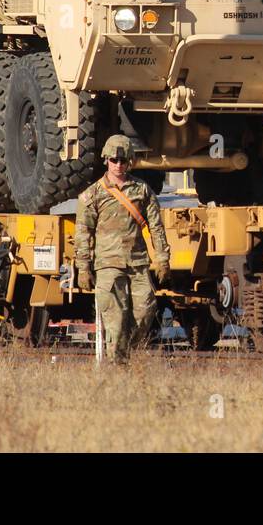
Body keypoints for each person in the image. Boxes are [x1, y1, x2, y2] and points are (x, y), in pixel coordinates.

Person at [75, 135, 172, 363]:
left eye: (123, 160)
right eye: (114, 160)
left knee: (146, 309)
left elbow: (156, 227)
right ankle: (119, 365)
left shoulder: (142, 190)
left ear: (130, 162)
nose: (118, 165)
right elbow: (82, 234)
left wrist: (163, 259)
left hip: (137, 263)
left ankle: (125, 350)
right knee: (115, 319)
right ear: (106, 160)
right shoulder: (92, 195)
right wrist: (83, 268)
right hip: (108, 264)